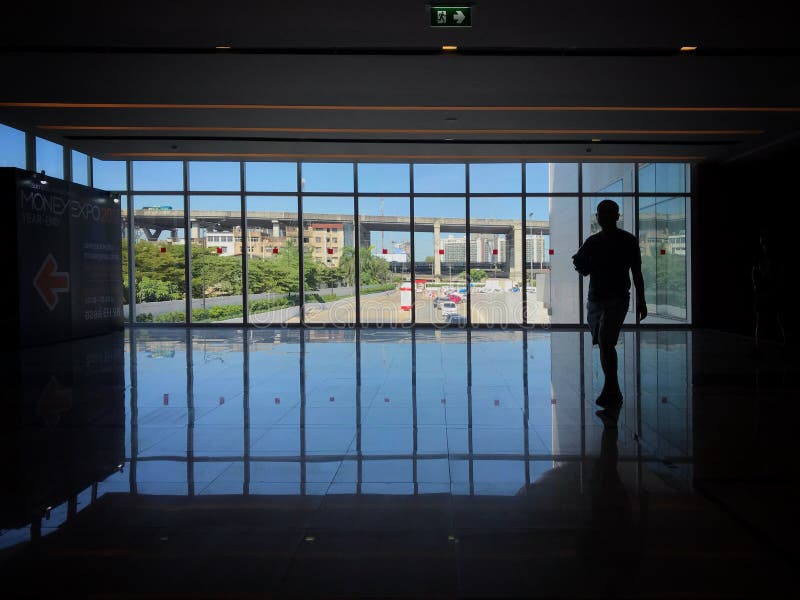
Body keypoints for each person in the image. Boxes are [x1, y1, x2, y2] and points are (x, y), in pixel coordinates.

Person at [572, 199, 646, 407]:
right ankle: (611, 387)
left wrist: (642, 299)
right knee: (604, 343)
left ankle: (612, 387)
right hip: (597, 299)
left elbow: (637, 272)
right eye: (601, 213)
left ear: (616, 216)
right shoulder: (610, 241)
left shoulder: (616, 241)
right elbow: (581, 265)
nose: (603, 217)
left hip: (615, 299)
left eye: (607, 213)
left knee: (605, 341)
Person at [751, 227, 787, 354]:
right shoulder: (767, 257)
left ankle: (759, 347)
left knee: (769, 319)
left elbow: (756, 272)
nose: (763, 244)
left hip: (769, 291)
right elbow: (755, 272)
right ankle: (760, 347)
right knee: (769, 319)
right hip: (768, 291)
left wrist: (757, 285)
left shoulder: (768, 258)